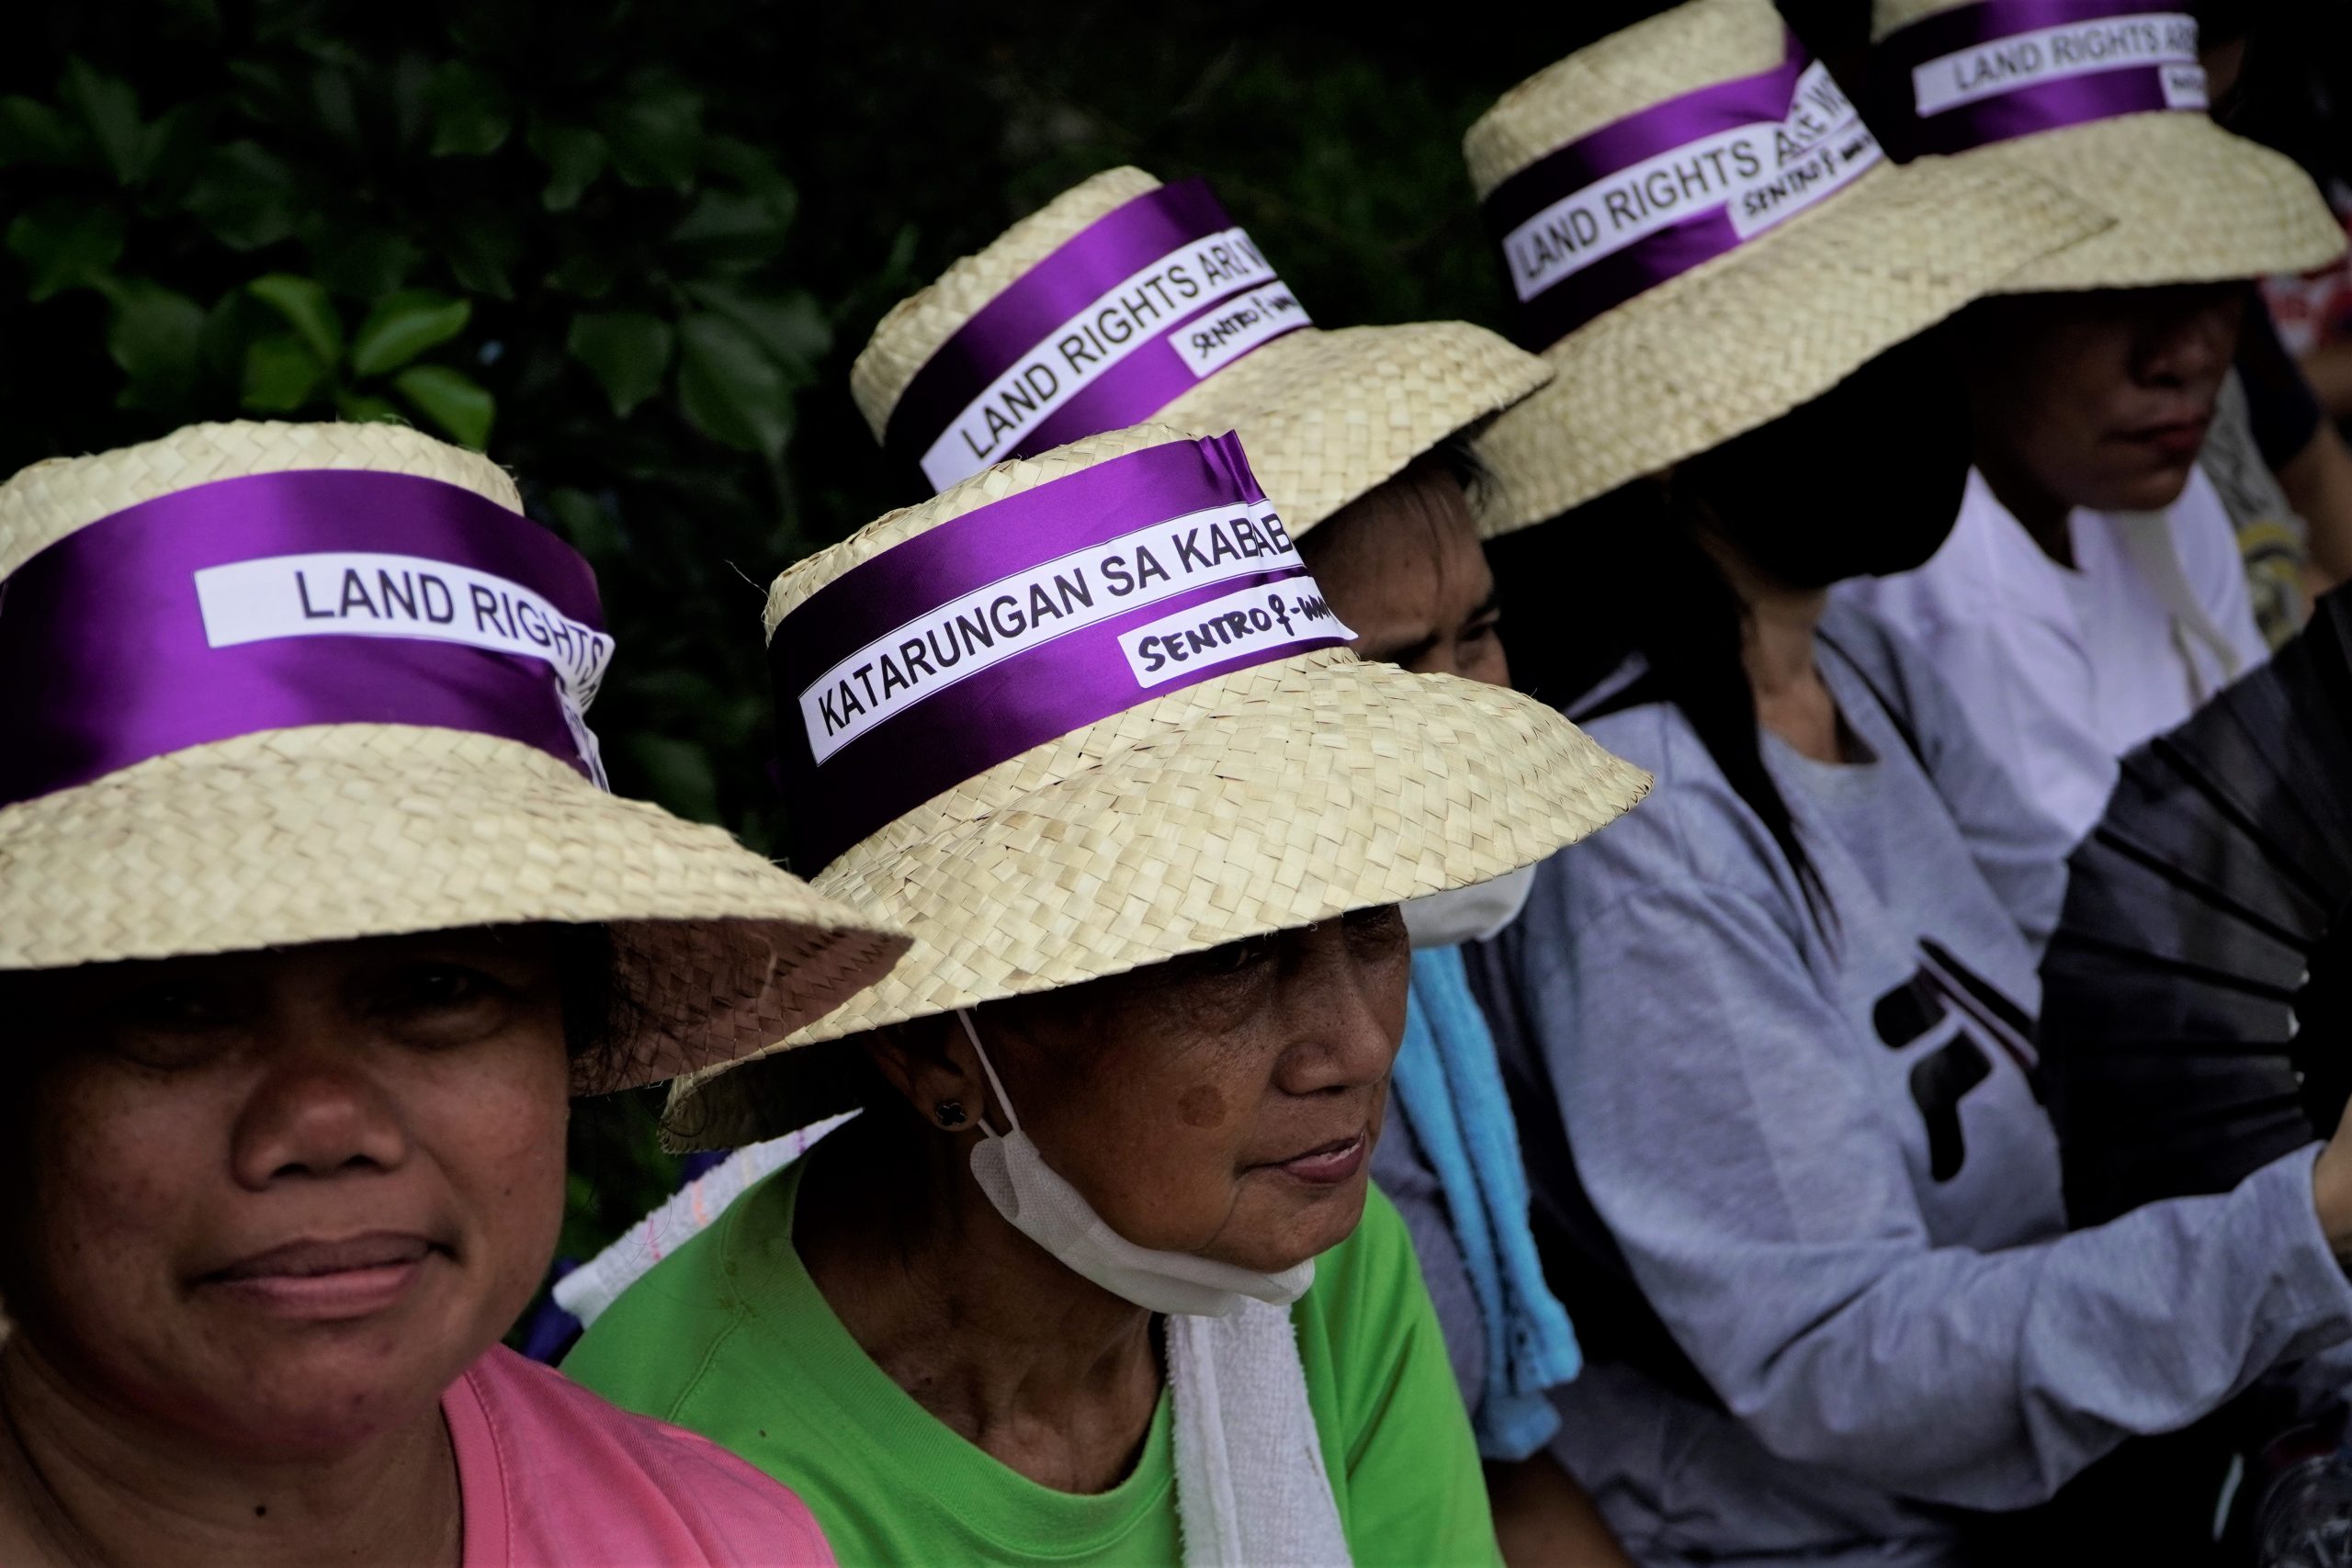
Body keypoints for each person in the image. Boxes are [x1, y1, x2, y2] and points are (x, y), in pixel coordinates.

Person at [1458, 6, 2352, 1564]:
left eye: (1909, 314)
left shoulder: (1850, 660)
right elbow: (1833, 1357)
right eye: (1848, 349)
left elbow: (2098, 978)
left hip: (2083, 1445)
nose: (1917, 377)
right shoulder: (1646, 820)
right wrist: (2308, 1226)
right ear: (1680, 446)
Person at [564, 423, 1651, 1567]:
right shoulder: (676, 1480)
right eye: (1227, 958)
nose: (1354, 1048)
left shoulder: (1320, 1256)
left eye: (1371, 923)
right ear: (938, 1045)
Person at [843, 162, 1627, 1562]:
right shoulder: (745, 1446)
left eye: (1480, 632)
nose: (1347, 1043)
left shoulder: (1332, 1230)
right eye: (1389, 668)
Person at [0, 420, 909, 1568]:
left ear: (563, 1040)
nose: (324, 1124)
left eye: (437, 989)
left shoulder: (722, 1545)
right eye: (174, 1008)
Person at [1840, 0, 2348, 841]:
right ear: (1963, 297)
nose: (2184, 354)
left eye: (2213, 272)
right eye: (2111, 288)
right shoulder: (1944, 586)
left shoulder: (2155, 496)